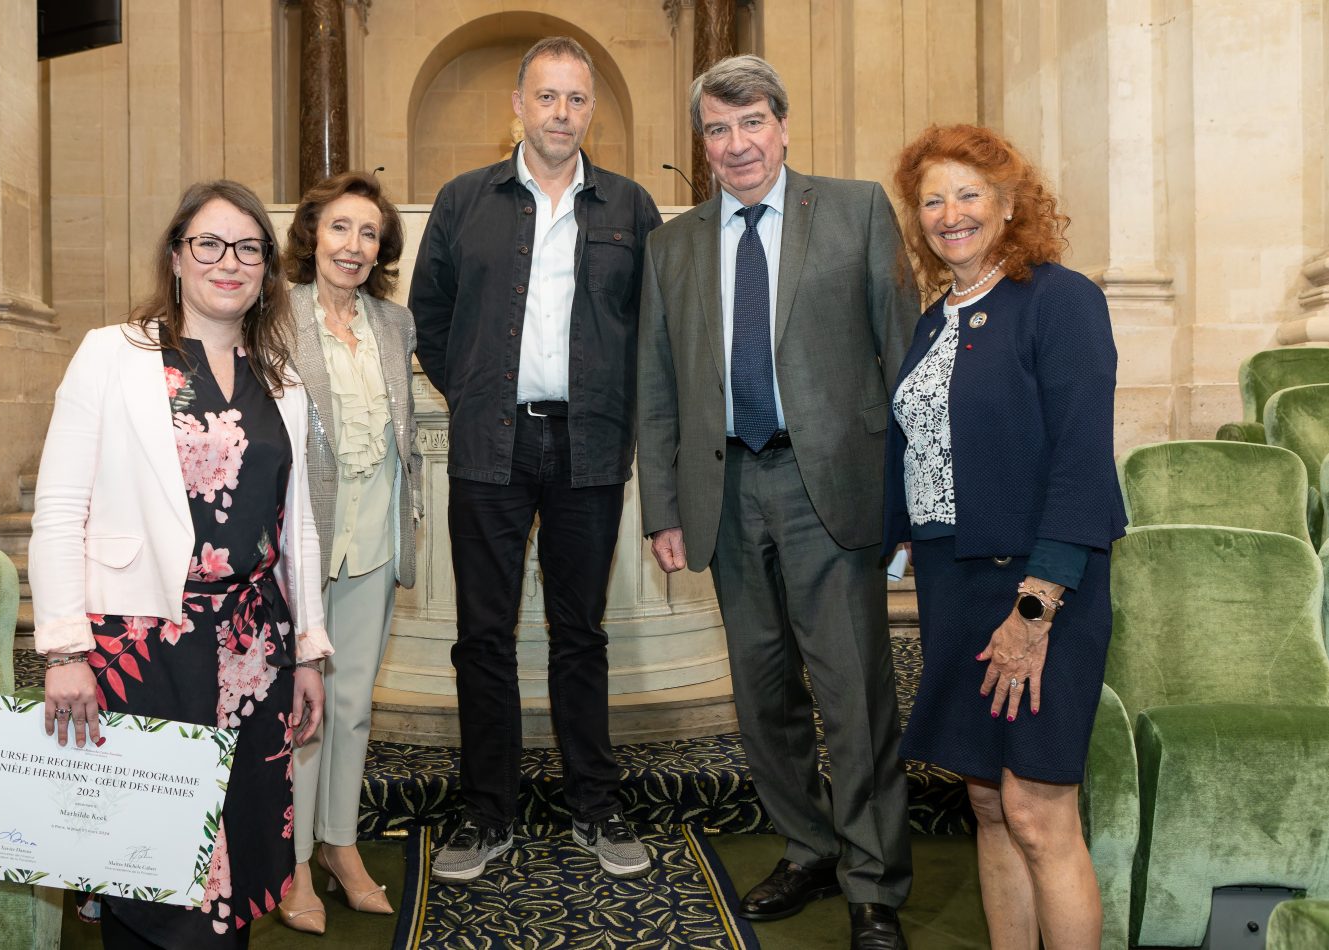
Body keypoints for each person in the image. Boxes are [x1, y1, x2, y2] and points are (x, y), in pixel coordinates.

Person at [637, 54, 917, 950]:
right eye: (716, 131)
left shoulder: (854, 209)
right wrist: (663, 508)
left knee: (853, 692)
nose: (735, 145)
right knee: (762, 696)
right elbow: (656, 389)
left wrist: (910, 502)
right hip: (725, 494)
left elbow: (903, 355)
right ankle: (807, 848)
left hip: (828, 488)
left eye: (750, 122)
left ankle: (873, 880)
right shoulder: (671, 245)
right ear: (702, 145)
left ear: (782, 126)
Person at [30, 180, 331, 948]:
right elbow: (61, 508)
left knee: (236, 861)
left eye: (249, 248)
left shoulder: (283, 382)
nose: (228, 262)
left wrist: (307, 652)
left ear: (266, 268)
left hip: (252, 650)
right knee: (149, 866)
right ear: (175, 256)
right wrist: (65, 649)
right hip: (143, 642)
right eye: (209, 244)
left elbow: (294, 529)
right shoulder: (113, 354)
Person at [409, 35, 662, 883]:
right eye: (546, 97)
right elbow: (430, 317)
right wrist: (477, 393)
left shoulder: (630, 206)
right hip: (490, 444)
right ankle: (486, 815)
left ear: (593, 111)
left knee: (579, 634)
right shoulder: (462, 199)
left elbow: (650, 333)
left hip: (589, 445)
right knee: (482, 638)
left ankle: (595, 803)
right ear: (516, 106)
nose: (561, 113)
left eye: (576, 99)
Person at [884, 124, 1126, 949]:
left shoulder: (1059, 299)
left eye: (967, 193)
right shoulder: (930, 322)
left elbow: (1082, 463)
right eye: (930, 199)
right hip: (954, 583)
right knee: (986, 800)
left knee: (1037, 808)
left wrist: (1035, 606)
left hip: (1039, 584)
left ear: (1009, 204)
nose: (948, 213)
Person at [277, 171, 422, 933]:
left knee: (354, 703)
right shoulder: (276, 315)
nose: (354, 246)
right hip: (302, 541)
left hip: (375, 533)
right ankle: (294, 860)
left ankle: (341, 843)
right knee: (304, 706)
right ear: (313, 236)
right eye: (340, 228)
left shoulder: (394, 325)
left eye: (368, 234)